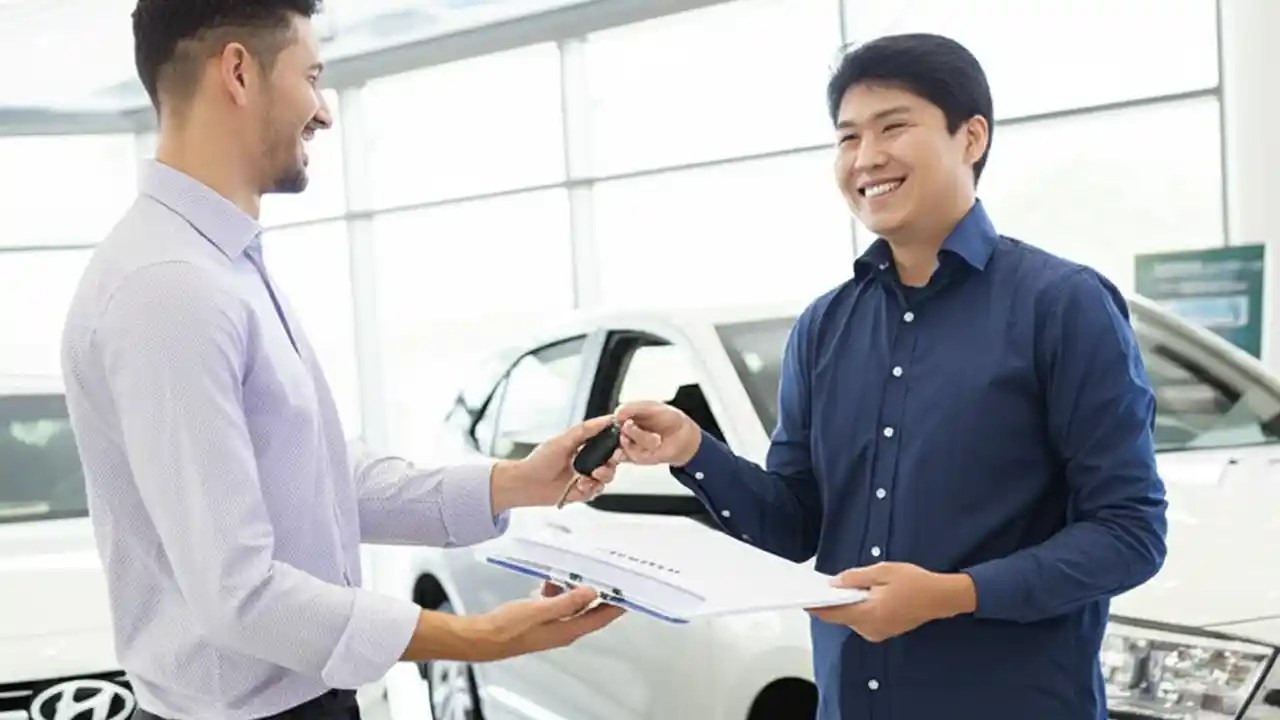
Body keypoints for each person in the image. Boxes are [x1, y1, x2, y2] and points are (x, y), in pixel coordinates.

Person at [60, 2, 623, 719]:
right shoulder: (169, 290)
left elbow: (323, 483)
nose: (323, 112)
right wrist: (478, 638)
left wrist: (517, 483)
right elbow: (241, 593)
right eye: (312, 76)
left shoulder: (218, 267)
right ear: (238, 71)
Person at [614, 32, 1168, 720]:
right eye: (847, 137)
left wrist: (952, 593)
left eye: (893, 126)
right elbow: (795, 523)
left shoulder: (1062, 305)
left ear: (971, 138)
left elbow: (1128, 533)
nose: (866, 157)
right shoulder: (824, 327)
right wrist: (695, 451)